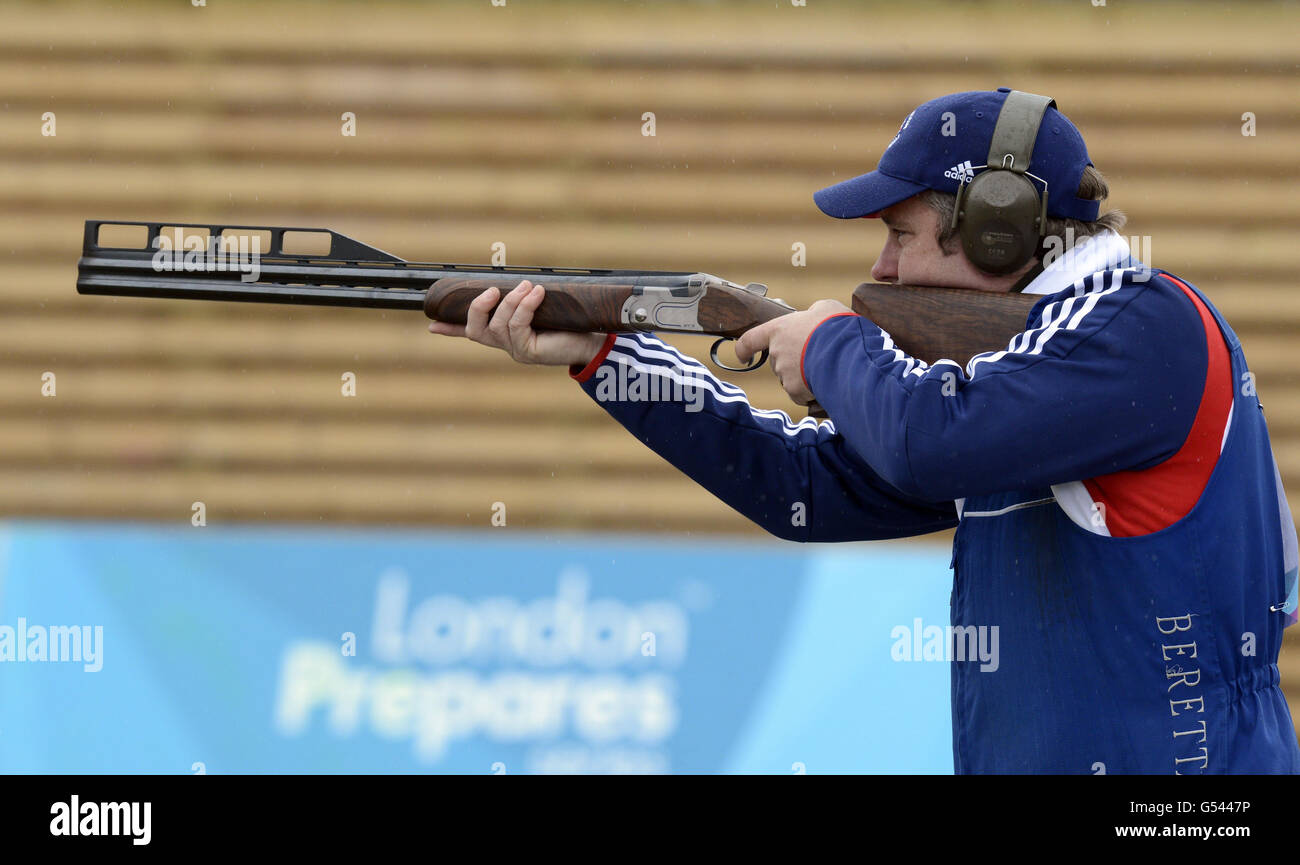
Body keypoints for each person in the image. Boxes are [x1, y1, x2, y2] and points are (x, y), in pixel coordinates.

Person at [427, 88, 1300, 774]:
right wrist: (606, 356)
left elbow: (931, 439)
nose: (880, 269)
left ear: (997, 232)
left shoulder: (1143, 326)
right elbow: (803, 490)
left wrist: (834, 342)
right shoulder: (1018, 383)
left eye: (898, 235)